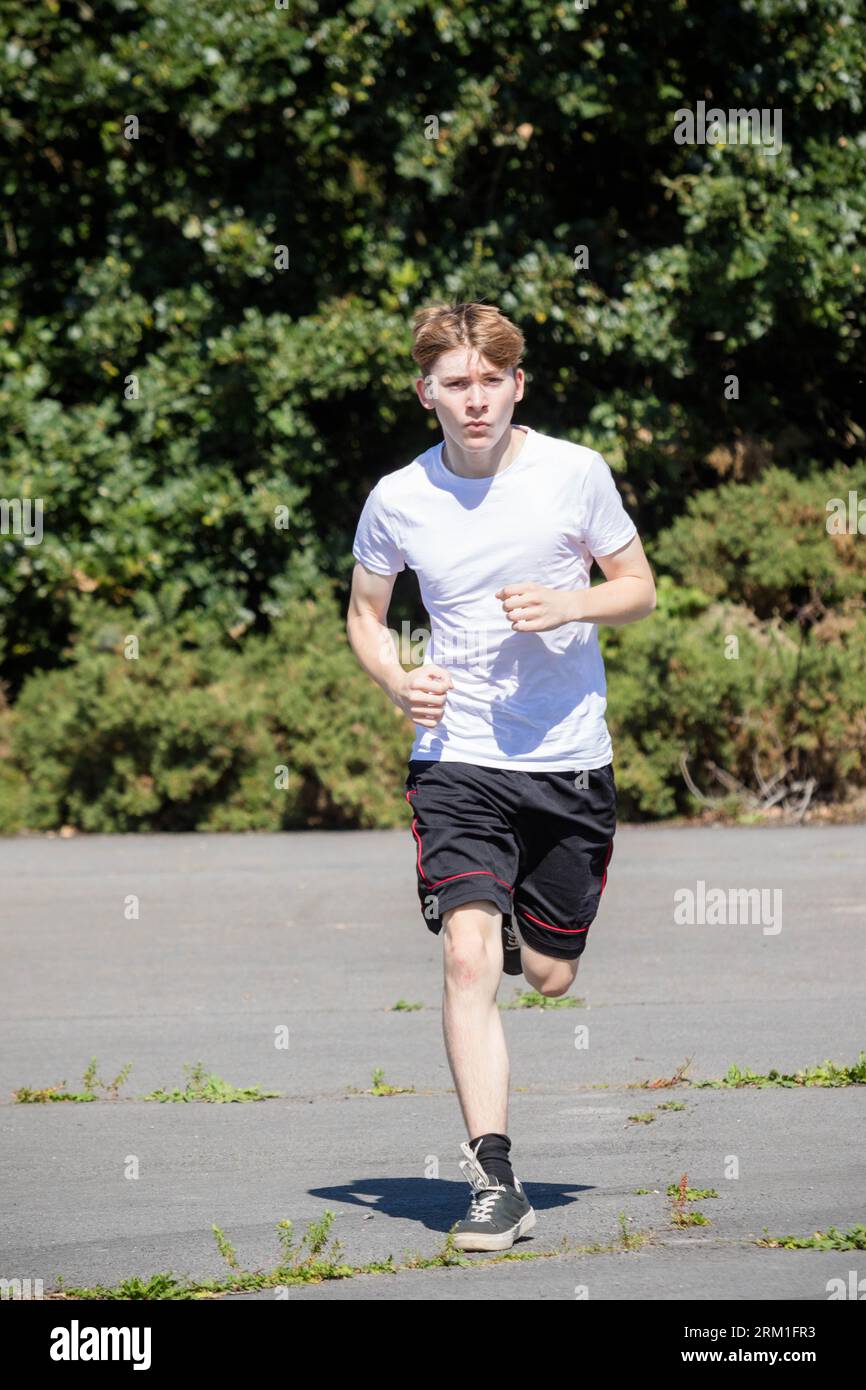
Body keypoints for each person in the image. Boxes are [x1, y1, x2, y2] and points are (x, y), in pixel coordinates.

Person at [346, 301, 656, 1252]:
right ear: (425, 392)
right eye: (455, 383)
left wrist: (569, 601)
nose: (473, 400)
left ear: (516, 384)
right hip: (459, 759)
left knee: (553, 976)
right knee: (467, 958)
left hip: (568, 759)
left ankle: (533, 925)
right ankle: (492, 1177)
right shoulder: (399, 496)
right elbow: (364, 613)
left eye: (490, 381)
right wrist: (401, 679)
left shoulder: (574, 473)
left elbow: (638, 587)